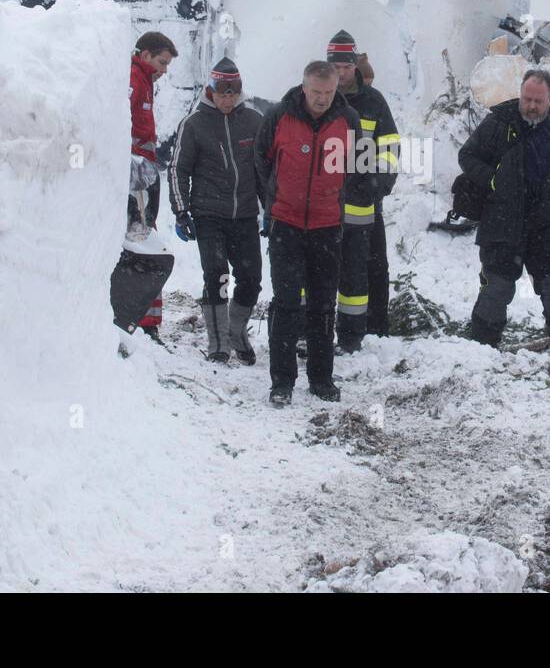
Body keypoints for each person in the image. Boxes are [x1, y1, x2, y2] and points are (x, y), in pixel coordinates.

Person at [457, 69, 550, 357]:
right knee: (498, 289)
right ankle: (482, 350)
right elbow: (467, 156)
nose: (531, 106)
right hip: (503, 221)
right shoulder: (500, 122)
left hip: (546, 224)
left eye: (538, 101)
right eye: (527, 99)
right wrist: (493, 179)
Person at [254, 61, 363, 406]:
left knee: (322, 305)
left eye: (329, 93)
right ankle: (282, 382)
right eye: (316, 92)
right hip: (285, 225)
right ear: (304, 88)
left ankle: (321, 379)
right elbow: (261, 161)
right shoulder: (278, 117)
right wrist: (273, 203)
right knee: (286, 304)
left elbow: (358, 166)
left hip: (327, 227)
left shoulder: (348, 121)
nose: (322, 99)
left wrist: (338, 199)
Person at [169, 58, 263, 364]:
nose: (227, 99)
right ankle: (219, 342)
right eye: (222, 93)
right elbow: (178, 169)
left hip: (246, 212)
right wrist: (182, 212)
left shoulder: (253, 121)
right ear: (211, 91)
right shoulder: (194, 124)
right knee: (217, 274)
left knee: (251, 278)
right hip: (209, 213)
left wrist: (272, 209)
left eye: (233, 93)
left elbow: (266, 169)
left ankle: (236, 330)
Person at [327, 30, 400, 352]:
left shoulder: (374, 101)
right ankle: (315, 329)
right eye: (335, 66)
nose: (341, 72)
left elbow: (389, 145)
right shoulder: (321, 96)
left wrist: (378, 184)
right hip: (325, 206)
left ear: (355, 64)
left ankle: (373, 332)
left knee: (372, 269)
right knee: (324, 269)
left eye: (346, 65)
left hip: (366, 204)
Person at [128, 32, 178, 237]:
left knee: (146, 221)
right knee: (140, 224)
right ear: (146, 55)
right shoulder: (134, 77)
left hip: (142, 164)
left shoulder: (144, 79)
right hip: (135, 166)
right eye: (162, 63)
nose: (164, 70)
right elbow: (120, 118)